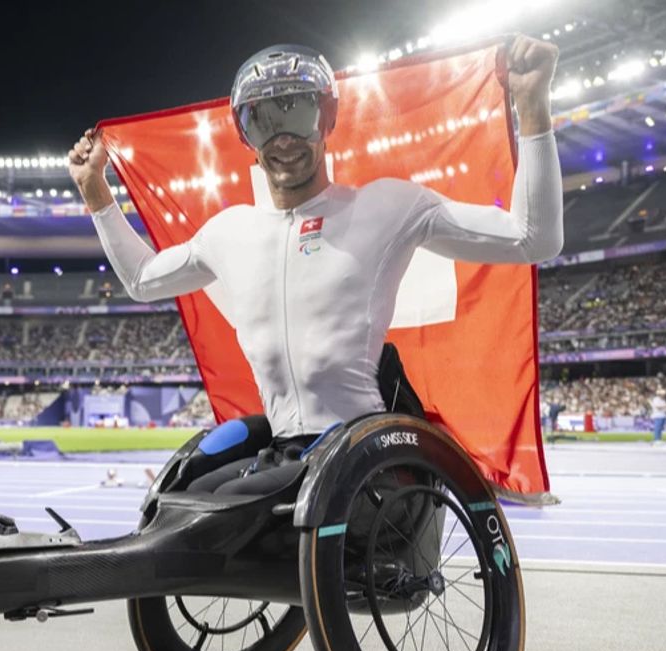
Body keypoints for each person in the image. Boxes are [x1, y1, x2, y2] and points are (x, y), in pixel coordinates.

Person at [68, 36, 562, 494]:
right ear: (245, 134)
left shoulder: (388, 206)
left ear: (327, 118)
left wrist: (531, 104)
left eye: (298, 112)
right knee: (176, 494)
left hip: (361, 453)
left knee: (216, 515)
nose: (282, 137)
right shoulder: (228, 232)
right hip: (286, 451)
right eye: (263, 120)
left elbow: (532, 239)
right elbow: (140, 280)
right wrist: (95, 191)